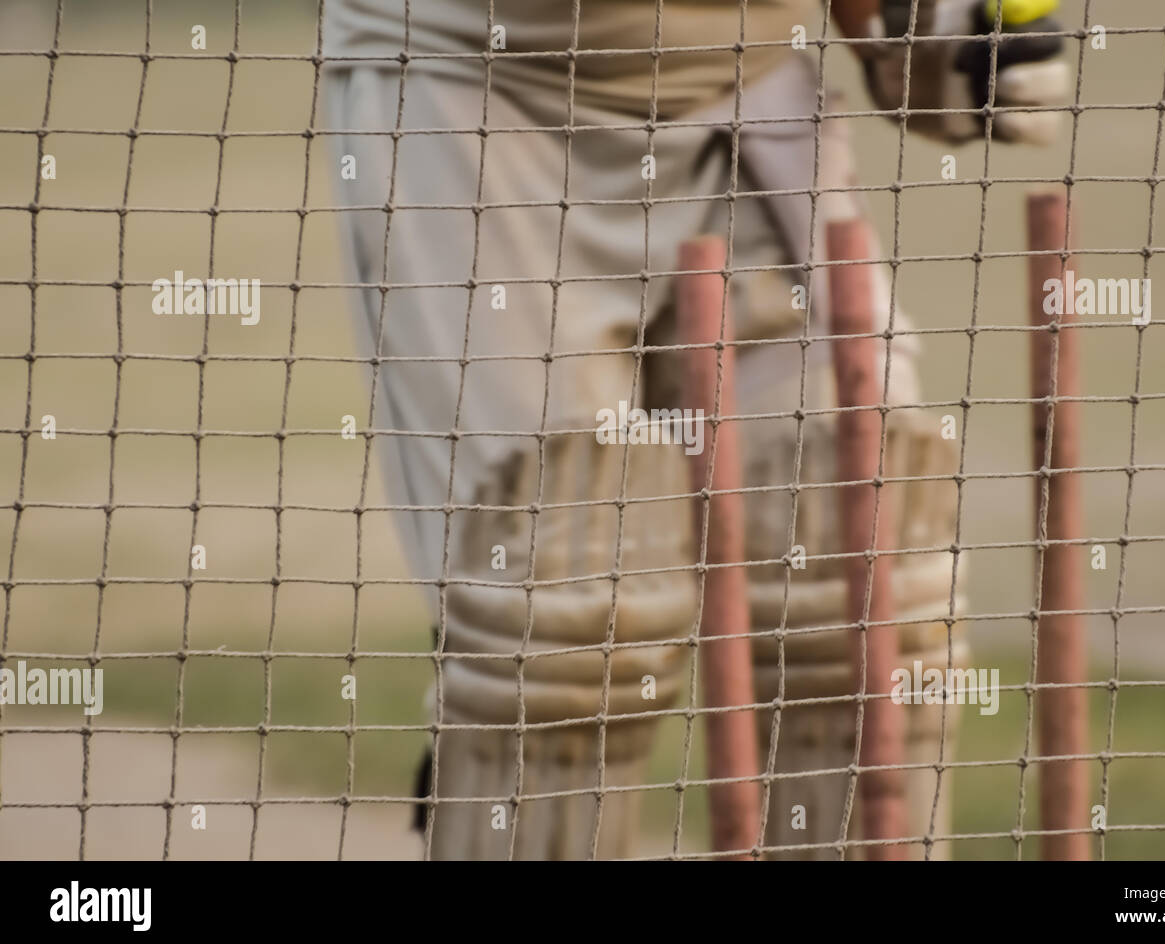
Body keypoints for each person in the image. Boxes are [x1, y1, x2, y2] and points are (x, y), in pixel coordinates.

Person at [322, 0, 1066, 859]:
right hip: (478, 86)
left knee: (862, 570)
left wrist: (928, 24)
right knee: (557, 620)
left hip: (745, 83)